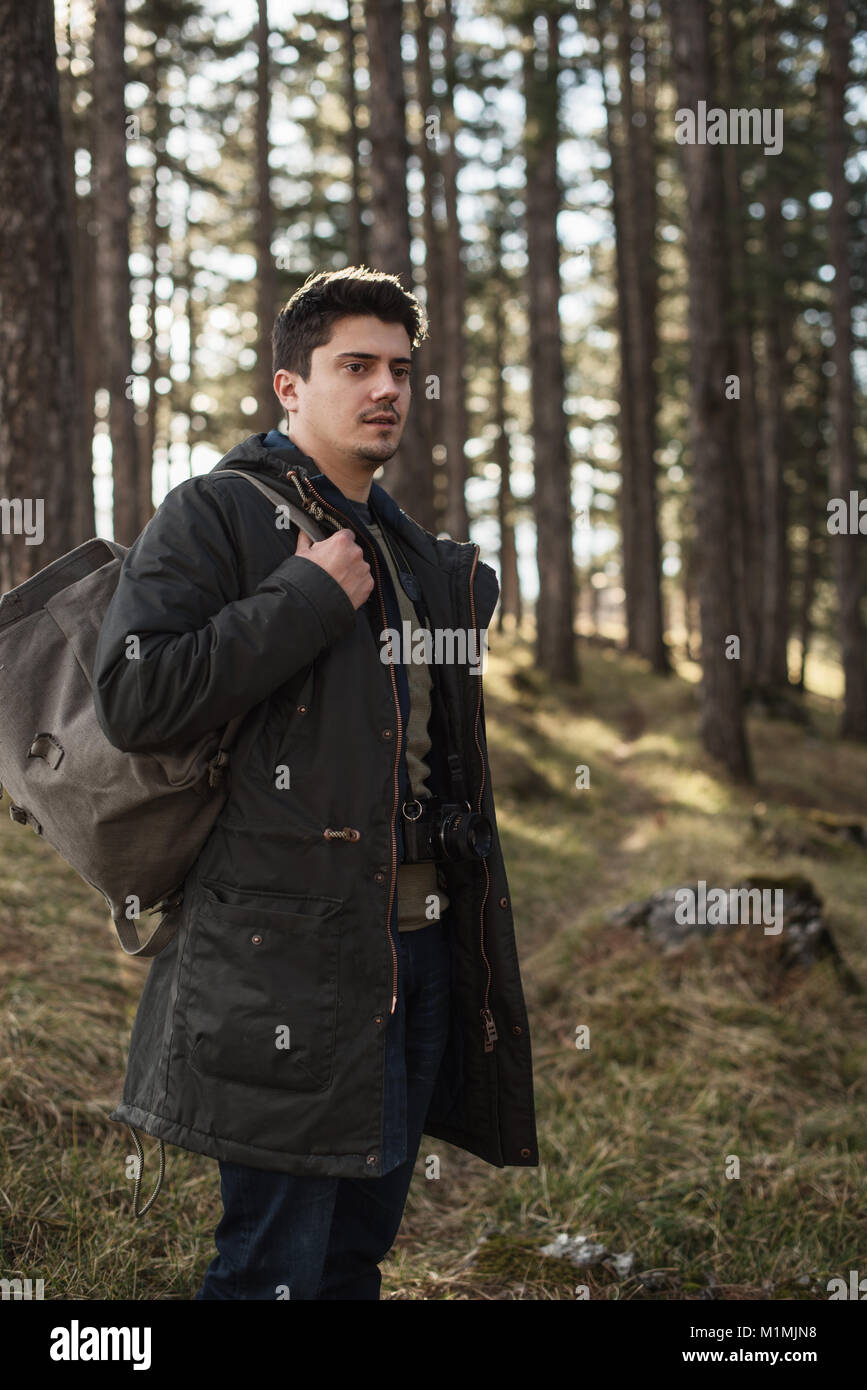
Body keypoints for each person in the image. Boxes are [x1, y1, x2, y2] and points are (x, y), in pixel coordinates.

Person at [92, 265, 537, 1300]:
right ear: (290, 387)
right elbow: (134, 693)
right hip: (281, 958)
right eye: (356, 367)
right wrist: (303, 596)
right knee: (272, 1264)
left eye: (401, 370)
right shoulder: (217, 513)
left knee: (352, 1258)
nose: (385, 389)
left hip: (418, 951)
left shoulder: (414, 552)